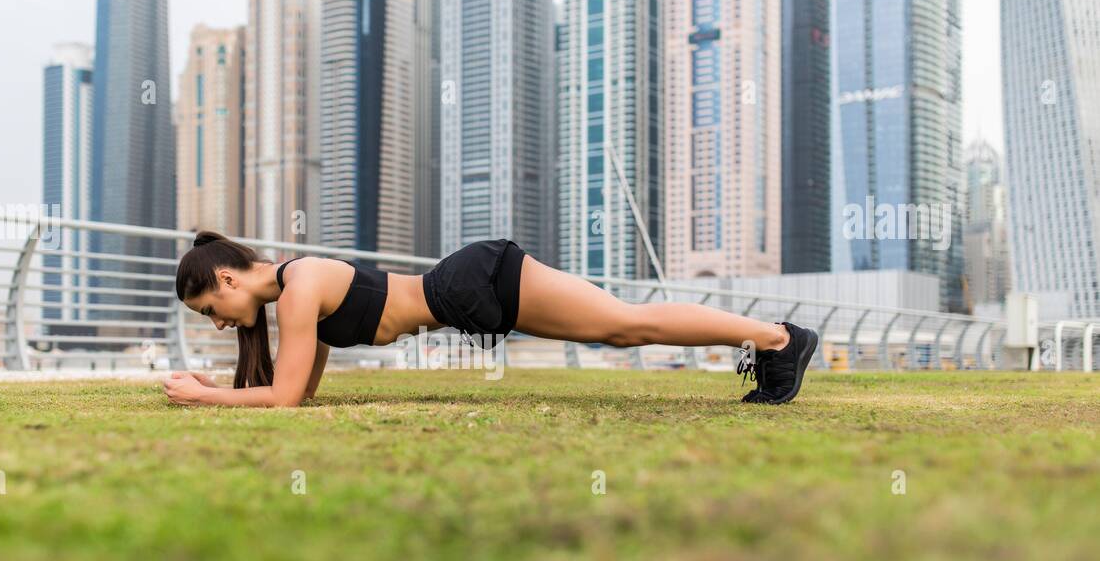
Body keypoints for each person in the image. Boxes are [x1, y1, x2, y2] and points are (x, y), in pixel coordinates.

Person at [165, 231, 818, 408]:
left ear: (225, 278)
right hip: (466, 294)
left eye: (209, 309)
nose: (218, 322)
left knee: (626, 324)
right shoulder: (295, 290)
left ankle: (778, 339)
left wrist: (205, 398)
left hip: (472, 284)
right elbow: (299, 393)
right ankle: (772, 344)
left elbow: (281, 401)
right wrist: (222, 391)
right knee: (625, 325)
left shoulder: (300, 284)